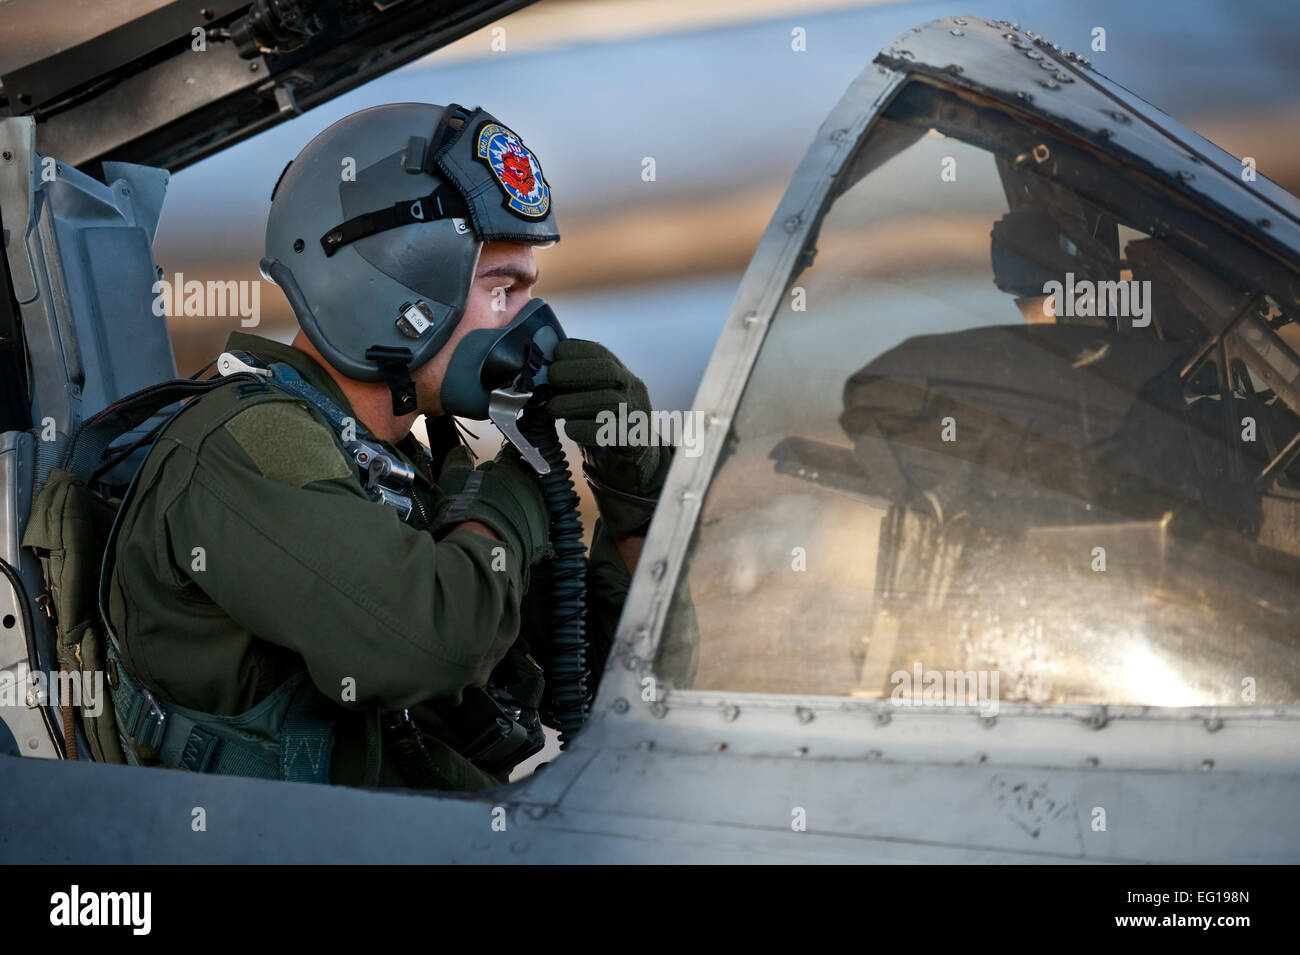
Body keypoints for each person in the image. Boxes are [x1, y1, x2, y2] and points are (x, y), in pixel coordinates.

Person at [101, 102, 669, 788]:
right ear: (396, 290)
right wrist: (527, 479)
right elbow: (429, 645)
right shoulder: (248, 445)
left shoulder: (403, 468)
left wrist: (633, 487)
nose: (530, 323)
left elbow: (621, 676)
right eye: (503, 288)